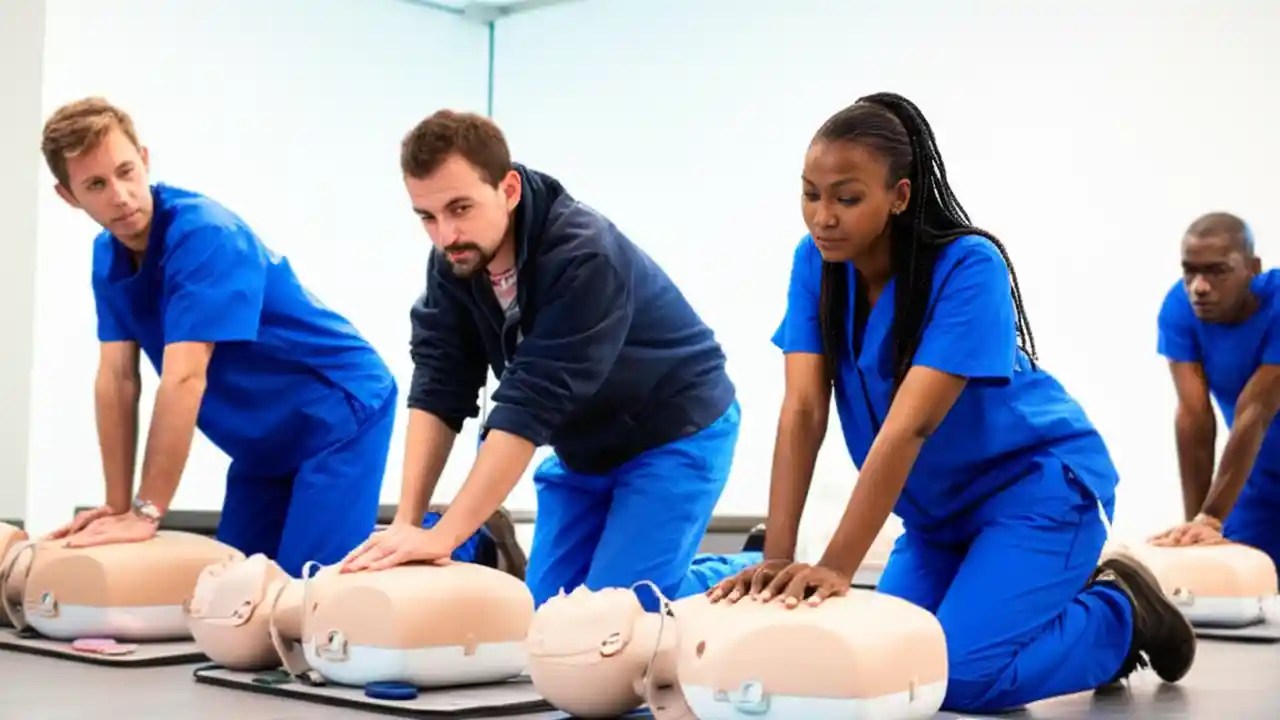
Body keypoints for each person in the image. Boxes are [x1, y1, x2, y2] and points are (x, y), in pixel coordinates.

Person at [707, 92, 1196, 713]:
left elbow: (910, 429)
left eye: (847, 198)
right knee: (887, 666)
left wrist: (835, 566)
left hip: (1037, 495)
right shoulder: (816, 264)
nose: (823, 217)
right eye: (811, 194)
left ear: (901, 197)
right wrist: (776, 562)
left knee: (961, 680)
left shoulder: (969, 267)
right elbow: (803, 411)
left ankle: (1119, 613)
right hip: (939, 520)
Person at [338, 109, 758, 606]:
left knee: (619, 612)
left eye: (460, 208)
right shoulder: (455, 261)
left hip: (674, 431)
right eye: (427, 217)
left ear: (509, 190)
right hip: (586, 447)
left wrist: (445, 537)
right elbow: (439, 384)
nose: (446, 234)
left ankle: (757, 568)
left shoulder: (584, 255)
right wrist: (408, 525)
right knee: (541, 616)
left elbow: (530, 402)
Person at [41, 97, 398, 577]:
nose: (120, 195)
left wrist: (147, 513)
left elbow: (185, 378)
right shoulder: (108, 257)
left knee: (305, 594)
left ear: (144, 160)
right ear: (69, 196)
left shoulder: (205, 234)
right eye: (96, 185)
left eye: (126, 172)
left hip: (337, 413)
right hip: (260, 438)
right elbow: (117, 380)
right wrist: (116, 505)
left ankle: (456, 546)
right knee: (226, 592)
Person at [1149, 212, 1280, 570]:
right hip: (1259, 486)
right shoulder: (1180, 308)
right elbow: (1194, 416)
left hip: (1256, 439)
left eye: (1217, 271)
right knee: (1229, 576)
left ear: (1252, 268)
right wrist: (1198, 524)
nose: (1199, 286)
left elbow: (1256, 408)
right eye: (1190, 270)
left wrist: (1211, 516)